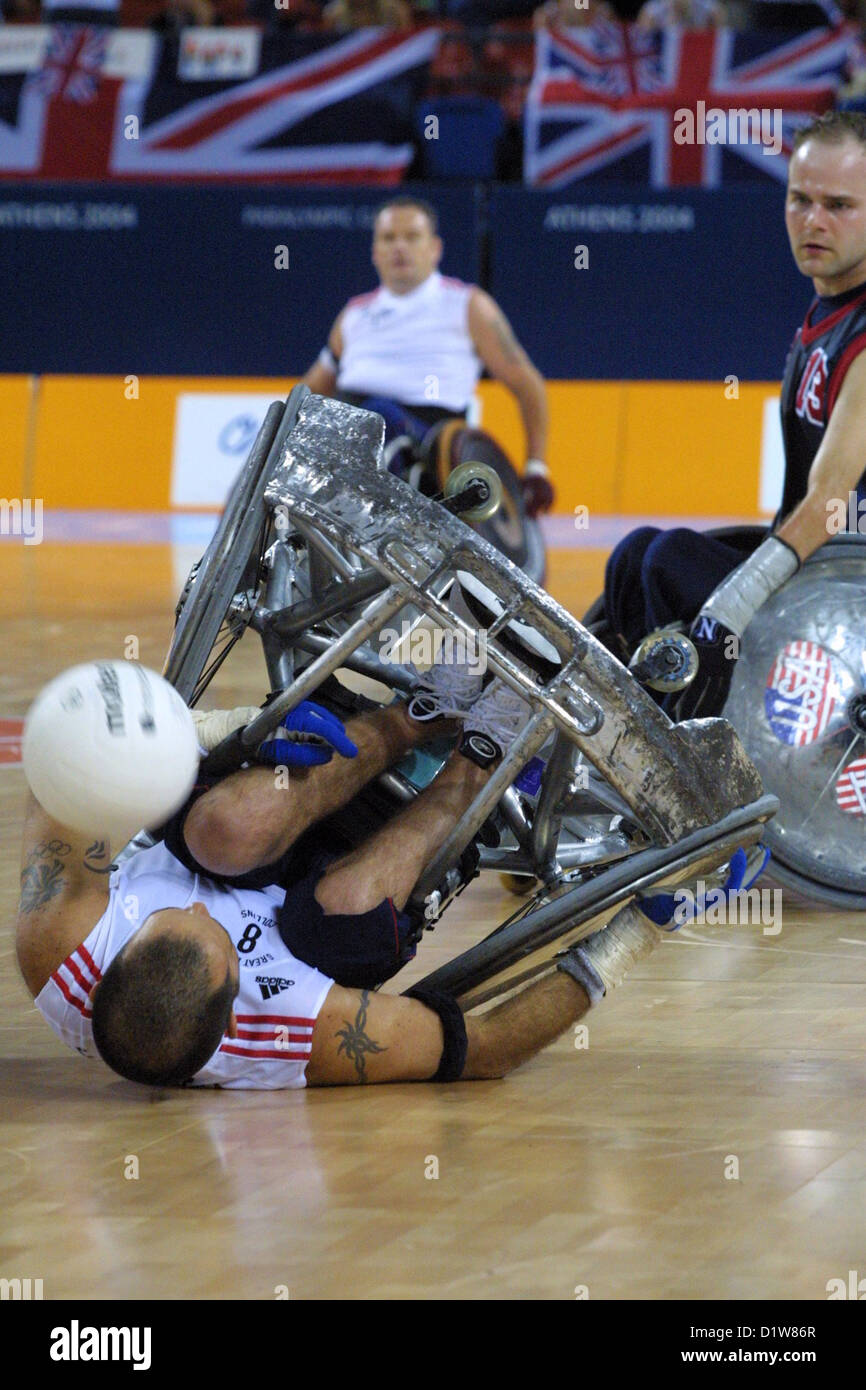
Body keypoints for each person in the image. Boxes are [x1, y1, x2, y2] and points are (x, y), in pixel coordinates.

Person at [16, 669, 650, 1091]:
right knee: (336, 925)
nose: (208, 913)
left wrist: (222, 735)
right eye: (216, 936)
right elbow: (483, 1049)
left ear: (120, 953)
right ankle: (480, 762)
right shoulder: (285, 1036)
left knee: (221, 835)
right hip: (365, 863)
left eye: (174, 917)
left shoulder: (60, 942)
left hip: (278, 790)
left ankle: (418, 714)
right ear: (234, 1006)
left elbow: (66, 770)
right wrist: (636, 934)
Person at [601, 110, 866, 719]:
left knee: (668, 562)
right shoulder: (823, 316)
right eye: (799, 200)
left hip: (849, 590)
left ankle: (709, 755)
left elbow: (829, 499)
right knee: (633, 557)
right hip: (824, 569)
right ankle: (646, 732)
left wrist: (736, 601)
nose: (813, 221)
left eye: (839, 205)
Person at [301, 195, 555, 519]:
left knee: (379, 418)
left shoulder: (468, 305)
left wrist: (536, 468)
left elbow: (527, 383)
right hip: (351, 421)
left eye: (411, 237)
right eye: (389, 238)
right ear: (375, 251)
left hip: (425, 436)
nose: (399, 247)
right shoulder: (354, 313)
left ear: (434, 248)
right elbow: (309, 390)